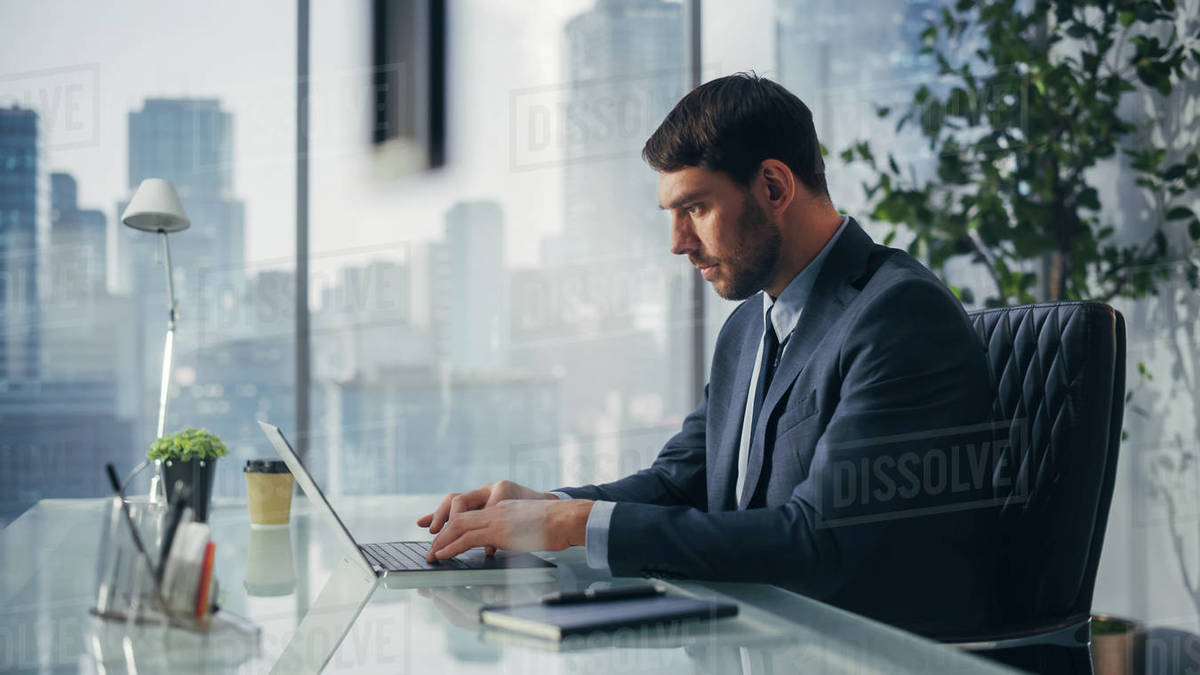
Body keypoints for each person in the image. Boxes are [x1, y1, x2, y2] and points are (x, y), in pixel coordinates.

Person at [418, 73, 1001, 636]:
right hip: (765, 637)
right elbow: (681, 484)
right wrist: (543, 507)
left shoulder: (897, 316)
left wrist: (572, 524)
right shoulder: (748, 327)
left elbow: (820, 540)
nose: (677, 243)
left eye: (694, 208)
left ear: (774, 187)